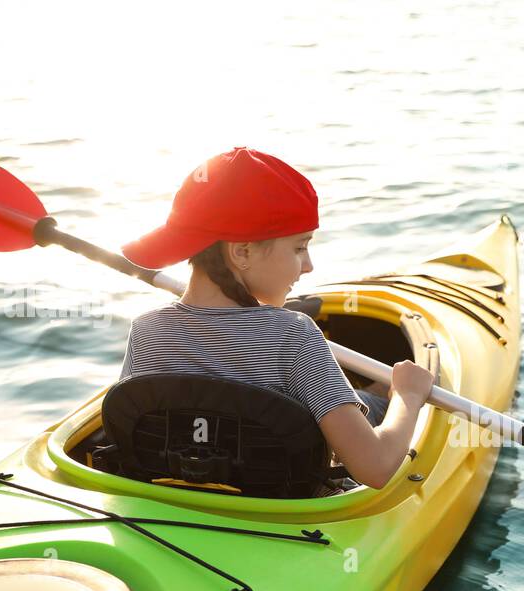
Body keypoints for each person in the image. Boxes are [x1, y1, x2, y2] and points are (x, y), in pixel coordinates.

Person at [118, 146, 433, 490]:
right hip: (287, 510)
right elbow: (376, 468)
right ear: (242, 252)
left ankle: (371, 392)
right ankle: (383, 392)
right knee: (379, 403)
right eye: (299, 247)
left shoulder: (147, 331)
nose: (309, 265)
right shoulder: (294, 336)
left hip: (177, 501)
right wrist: (408, 395)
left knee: (358, 400)